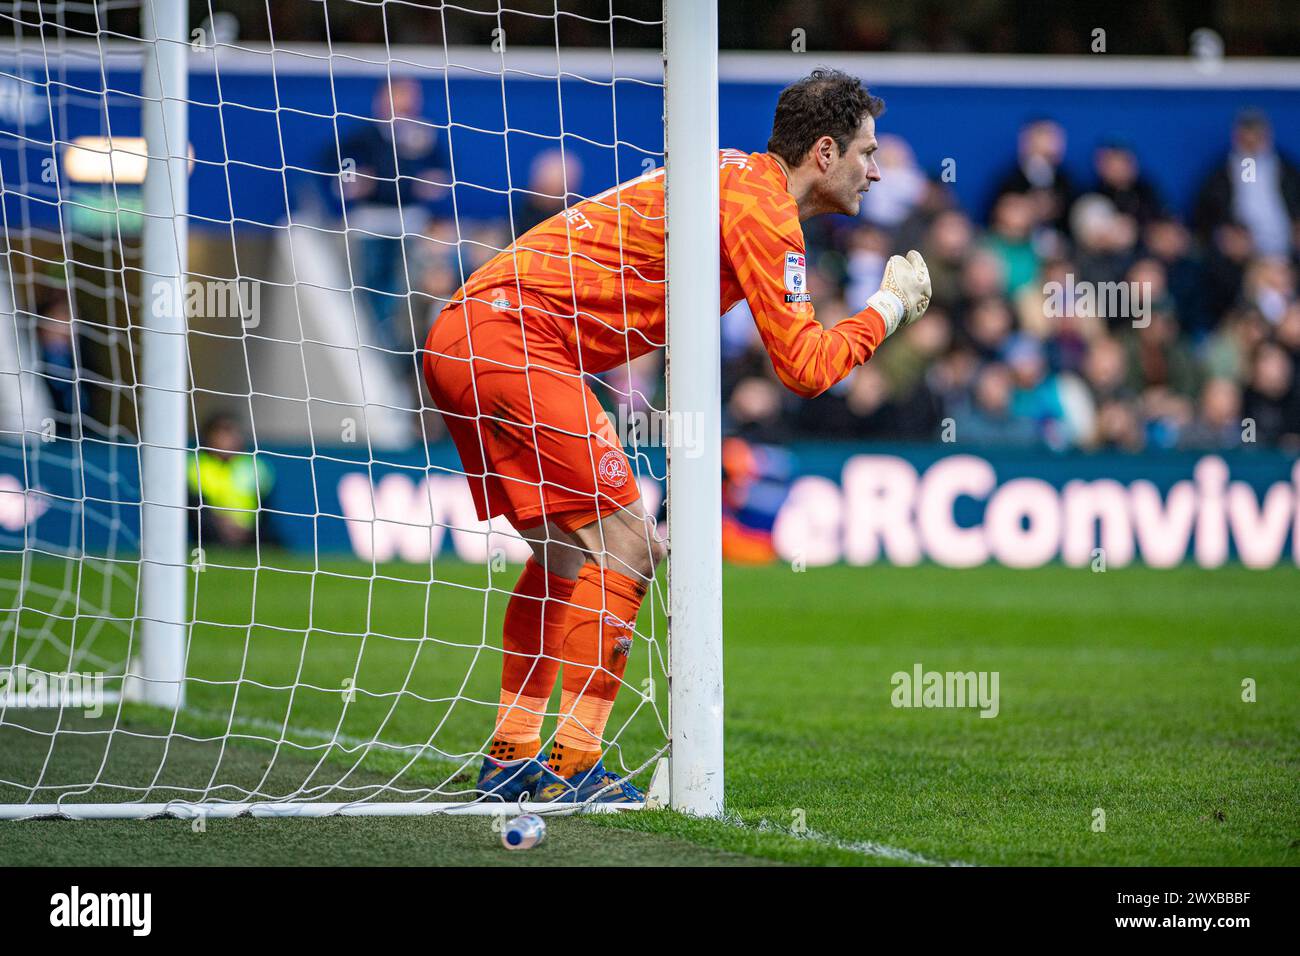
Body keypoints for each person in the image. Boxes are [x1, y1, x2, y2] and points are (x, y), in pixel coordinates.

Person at [422, 69, 932, 803]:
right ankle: (574, 765)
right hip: (515, 339)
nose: (876, 171)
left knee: (565, 557)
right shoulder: (763, 211)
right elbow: (806, 368)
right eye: (867, 153)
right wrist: (886, 308)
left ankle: (512, 752)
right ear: (824, 152)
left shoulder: (729, 173)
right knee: (632, 544)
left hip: (465, 334)